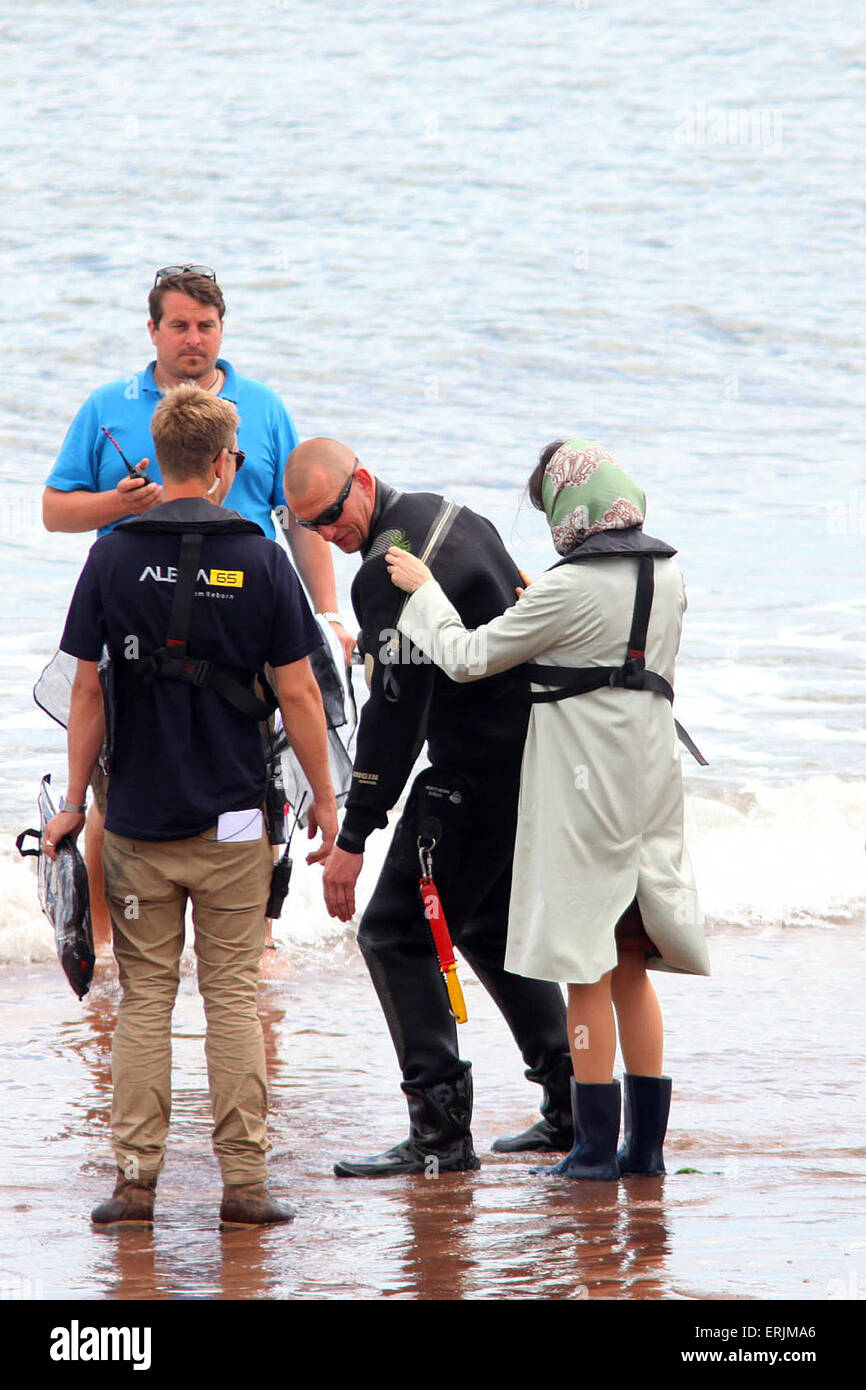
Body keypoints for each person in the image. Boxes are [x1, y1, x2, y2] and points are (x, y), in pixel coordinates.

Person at [43, 384, 338, 1226]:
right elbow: (300, 696)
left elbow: (88, 693)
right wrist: (324, 798)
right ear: (223, 466)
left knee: (143, 999)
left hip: (136, 818)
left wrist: (73, 803)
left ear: (162, 458)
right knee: (234, 998)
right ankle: (244, 1187)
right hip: (238, 822)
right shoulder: (263, 558)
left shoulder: (110, 557)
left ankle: (136, 1184)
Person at [386, 438, 710, 1180]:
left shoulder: (571, 587)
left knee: (584, 968)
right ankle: (645, 1152)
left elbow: (467, 656)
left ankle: (594, 1150)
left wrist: (423, 589)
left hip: (585, 793)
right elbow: (609, 643)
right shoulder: (669, 574)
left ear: (573, 508)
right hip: (651, 785)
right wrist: (544, 603)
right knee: (633, 966)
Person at [283, 438, 573, 1178]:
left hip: (474, 775)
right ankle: (573, 1105)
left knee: (391, 933)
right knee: (486, 922)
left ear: (364, 482)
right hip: (529, 761)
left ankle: (440, 1136)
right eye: (309, 527)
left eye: (331, 514)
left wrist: (355, 834)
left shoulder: (385, 576)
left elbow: (394, 718)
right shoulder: (456, 514)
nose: (327, 534)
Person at [42, 265, 353, 945]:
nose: (193, 339)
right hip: (137, 621)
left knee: (258, 791)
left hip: (246, 627)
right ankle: (97, 943)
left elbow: (300, 516)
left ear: (222, 329)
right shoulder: (107, 406)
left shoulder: (263, 408)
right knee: (111, 788)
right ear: (152, 329)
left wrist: (329, 615)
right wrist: (114, 506)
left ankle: (253, 938)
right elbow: (54, 510)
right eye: (178, 325)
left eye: (206, 326)